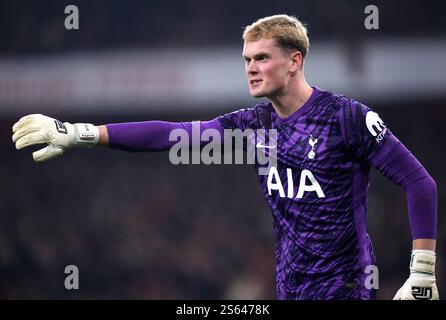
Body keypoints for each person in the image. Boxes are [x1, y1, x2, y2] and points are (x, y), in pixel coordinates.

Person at [11, 14, 438, 300]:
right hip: (289, 289)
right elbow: (170, 135)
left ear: (295, 61)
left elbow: (420, 182)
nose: (250, 68)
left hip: (345, 287)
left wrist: (421, 268)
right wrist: (82, 133)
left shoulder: (345, 117)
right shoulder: (253, 124)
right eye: (246, 59)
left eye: (261, 58)